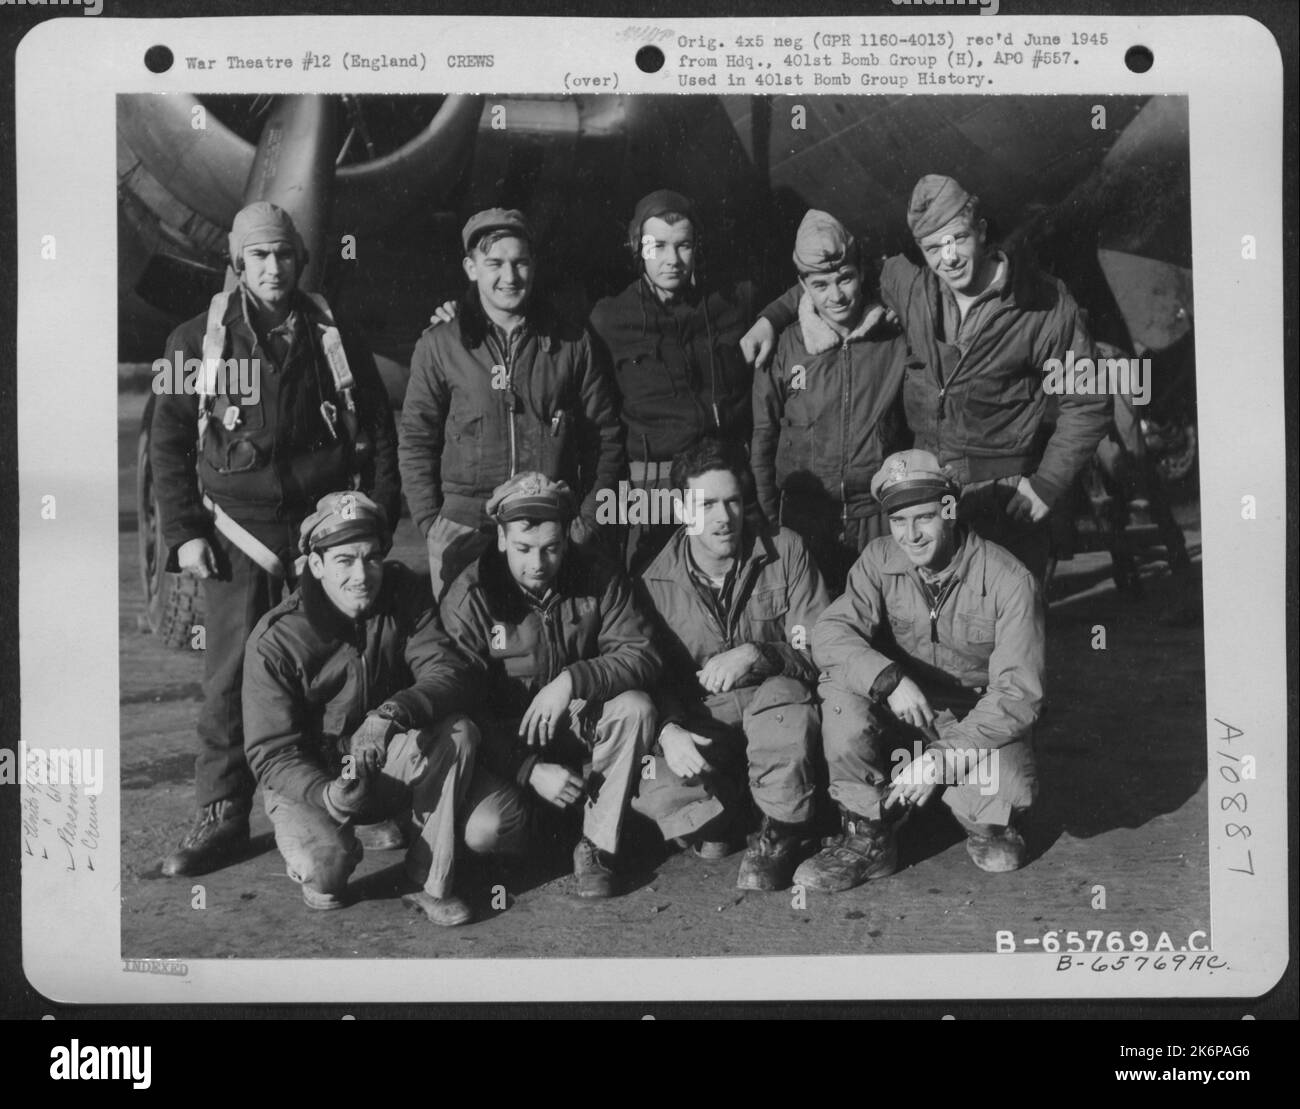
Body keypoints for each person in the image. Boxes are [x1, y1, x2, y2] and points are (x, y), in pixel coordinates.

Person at [150, 201, 400, 878]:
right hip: (238, 535)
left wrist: (373, 521)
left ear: (300, 259)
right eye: (258, 256)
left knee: (341, 669)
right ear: (237, 264)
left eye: (284, 254)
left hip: (322, 534)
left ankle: (347, 795)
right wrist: (184, 532)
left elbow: (377, 429)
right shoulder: (195, 340)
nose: (272, 267)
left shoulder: (332, 334)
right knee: (229, 676)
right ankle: (224, 809)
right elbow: (170, 441)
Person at [742, 174, 1111, 582]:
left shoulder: (1045, 304)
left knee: (1008, 625)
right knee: (931, 633)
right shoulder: (909, 282)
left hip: (1003, 496)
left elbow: (1089, 401)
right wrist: (770, 318)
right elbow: (832, 279)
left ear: (982, 229)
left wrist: (1047, 484)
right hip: (926, 496)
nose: (948, 258)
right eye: (933, 247)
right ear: (920, 250)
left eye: (957, 239)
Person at [242, 492, 526, 925]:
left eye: (372, 558)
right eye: (344, 561)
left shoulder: (403, 594)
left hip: (390, 760)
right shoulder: (276, 640)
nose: (362, 575)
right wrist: (326, 794)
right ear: (315, 566)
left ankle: (427, 879)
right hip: (316, 781)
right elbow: (270, 752)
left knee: (494, 810)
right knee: (325, 873)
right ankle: (342, 838)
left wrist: (390, 714)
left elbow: (447, 672)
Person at [798, 450, 1043, 893]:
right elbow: (829, 633)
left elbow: (1018, 693)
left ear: (949, 510)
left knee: (1001, 811)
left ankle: (959, 808)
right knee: (841, 687)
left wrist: (944, 757)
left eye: (924, 518)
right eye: (897, 521)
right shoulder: (878, 560)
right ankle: (869, 833)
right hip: (906, 713)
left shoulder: (1009, 580)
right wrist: (887, 678)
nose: (910, 535)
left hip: (973, 719)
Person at [439, 472, 660, 899]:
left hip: (577, 728)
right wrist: (528, 770)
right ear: (501, 538)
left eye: (552, 549)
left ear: (567, 539)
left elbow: (641, 653)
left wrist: (573, 679)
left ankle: (595, 846)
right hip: (504, 745)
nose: (537, 564)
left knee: (636, 706)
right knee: (485, 832)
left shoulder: (597, 575)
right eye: (523, 549)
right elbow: (459, 707)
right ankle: (541, 833)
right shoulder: (471, 595)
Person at [634, 437, 830, 892]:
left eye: (732, 501)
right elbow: (646, 673)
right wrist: (668, 730)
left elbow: (823, 645)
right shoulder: (652, 581)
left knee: (783, 703)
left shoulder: (786, 551)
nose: (723, 518)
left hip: (778, 708)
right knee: (653, 792)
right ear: (683, 510)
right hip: (709, 720)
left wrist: (759, 654)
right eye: (706, 505)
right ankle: (735, 811)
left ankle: (782, 830)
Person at [399, 208, 624, 598]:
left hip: (548, 530)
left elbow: (604, 438)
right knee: (463, 645)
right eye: (495, 264)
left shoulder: (572, 343)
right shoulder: (439, 346)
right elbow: (417, 438)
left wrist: (585, 522)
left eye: (520, 263)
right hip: (464, 531)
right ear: (471, 268)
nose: (510, 276)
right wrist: (432, 522)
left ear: (533, 266)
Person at [589, 189, 758, 571]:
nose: (672, 260)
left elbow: (806, 288)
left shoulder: (731, 304)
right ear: (636, 247)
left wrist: (771, 319)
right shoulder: (610, 318)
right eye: (657, 246)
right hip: (655, 489)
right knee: (653, 586)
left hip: (721, 484)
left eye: (683, 246)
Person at [751, 209, 909, 593]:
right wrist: (771, 522)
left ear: (861, 274)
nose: (836, 295)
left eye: (845, 279)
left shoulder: (894, 341)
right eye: (820, 285)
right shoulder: (784, 348)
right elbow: (762, 439)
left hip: (877, 516)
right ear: (802, 286)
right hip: (805, 520)